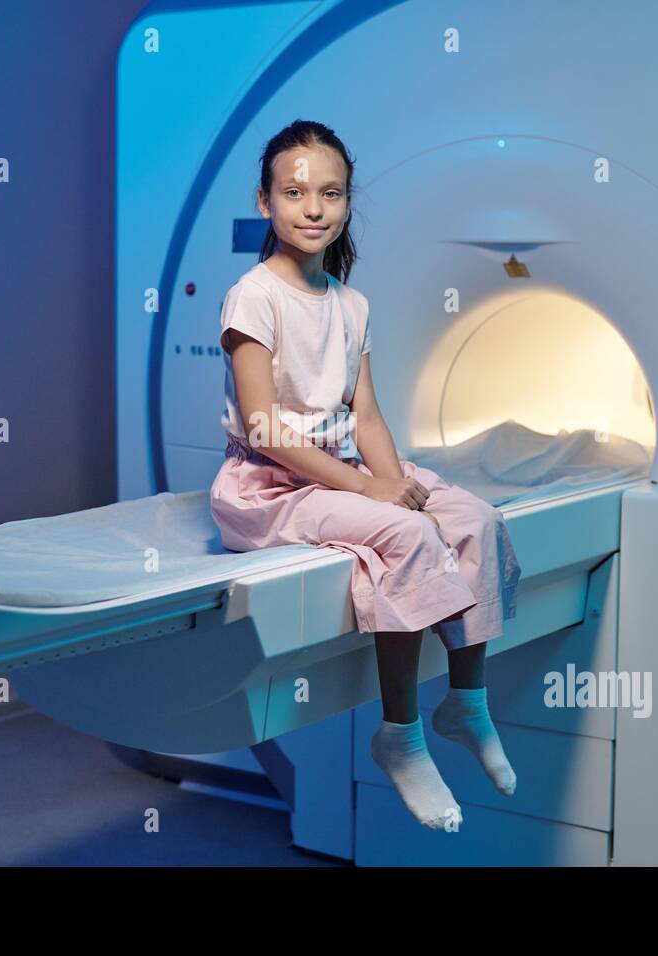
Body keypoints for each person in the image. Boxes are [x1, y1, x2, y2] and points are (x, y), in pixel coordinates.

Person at [209, 119, 522, 830]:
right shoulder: (253, 297)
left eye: (330, 193)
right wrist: (372, 494)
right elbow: (264, 426)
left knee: (473, 519)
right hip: (270, 485)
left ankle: (467, 703)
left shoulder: (353, 306)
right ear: (265, 202)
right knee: (406, 537)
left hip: (340, 467)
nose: (312, 208)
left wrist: (395, 483)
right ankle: (401, 736)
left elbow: (369, 417)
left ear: (348, 203)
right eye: (293, 192)